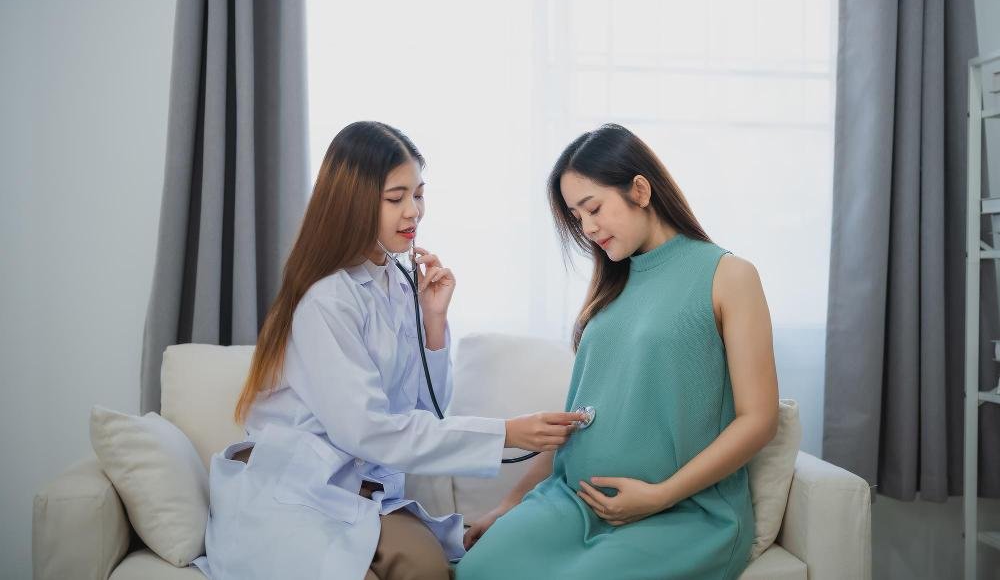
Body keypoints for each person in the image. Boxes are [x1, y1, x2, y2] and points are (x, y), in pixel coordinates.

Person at [196, 121, 585, 580]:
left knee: (429, 567)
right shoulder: (327, 300)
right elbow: (372, 431)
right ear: (354, 202)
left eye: (418, 194)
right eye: (395, 197)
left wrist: (434, 322)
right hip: (295, 493)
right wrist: (507, 433)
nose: (413, 212)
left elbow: (427, 410)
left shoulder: (397, 283)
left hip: (356, 493)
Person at [456, 123, 779, 580]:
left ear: (640, 190)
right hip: (572, 501)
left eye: (593, 208)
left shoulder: (729, 275)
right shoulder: (610, 292)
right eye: (576, 217)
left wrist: (661, 494)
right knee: (476, 571)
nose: (587, 228)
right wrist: (511, 504)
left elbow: (759, 419)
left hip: (680, 513)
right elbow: (582, 421)